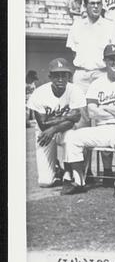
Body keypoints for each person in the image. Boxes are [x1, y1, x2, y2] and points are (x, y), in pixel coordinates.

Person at [61, 45, 115, 197]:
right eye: (111, 59)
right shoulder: (97, 83)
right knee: (73, 137)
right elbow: (92, 112)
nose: (114, 62)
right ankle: (79, 181)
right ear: (105, 61)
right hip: (102, 128)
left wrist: (104, 107)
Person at [27, 58, 85, 188]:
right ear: (50, 77)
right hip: (44, 133)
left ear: (69, 76)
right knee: (45, 182)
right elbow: (43, 124)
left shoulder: (75, 90)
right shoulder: (39, 93)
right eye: (56, 75)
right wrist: (67, 117)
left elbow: (75, 119)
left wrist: (53, 128)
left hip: (63, 130)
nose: (60, 79)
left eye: (64, 75)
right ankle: (57, 168)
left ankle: (68, 171)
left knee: (71, 135)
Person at [66, 0, 115, 95]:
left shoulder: (110, 26)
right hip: (81, 76)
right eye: (92, 3)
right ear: (85, 6)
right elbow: (72, 52)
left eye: (98, 3)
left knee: (101, 109)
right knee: (80, 109)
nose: (96, 6)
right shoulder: (76, 26)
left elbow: (114, 54)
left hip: (102, 74)